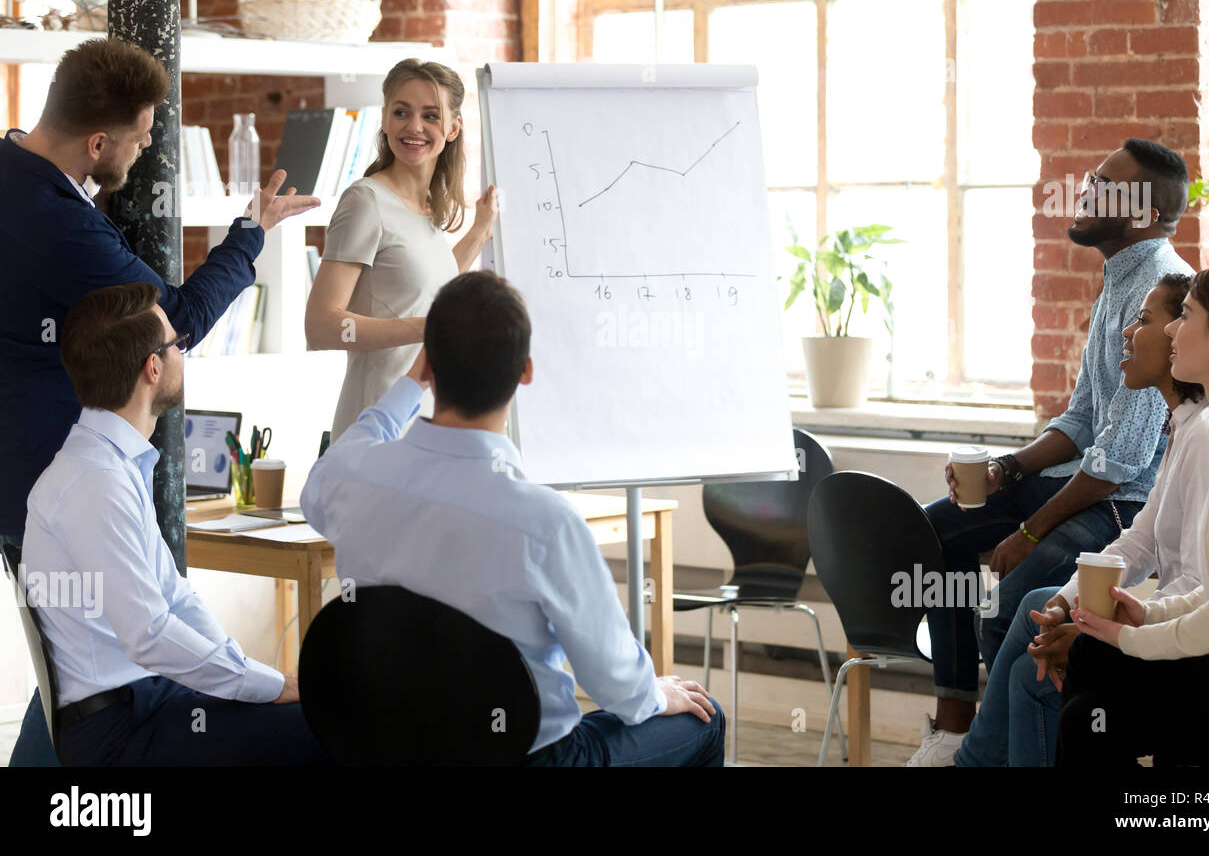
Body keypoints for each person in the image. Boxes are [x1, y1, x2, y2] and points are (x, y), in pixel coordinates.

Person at [0, 37, 315, 766]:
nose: (146, 150)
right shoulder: (62, 227)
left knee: (72, 665)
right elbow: (176, 318)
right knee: (97, 661)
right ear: (99, 140)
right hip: (62, 470)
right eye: (142, 138)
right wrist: (251, 234)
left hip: (27, 474)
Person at [301, 271, 725, 766]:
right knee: (704, 717)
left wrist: (408, 387)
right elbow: (620, 690)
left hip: (383, 749)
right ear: (525, 371)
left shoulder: (354, 478)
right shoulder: (545, 524)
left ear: (430, 364)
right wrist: (656, 692)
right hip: (518, 757)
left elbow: (337, 462)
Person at [909, 138, 1194, 766]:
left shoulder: (1160, 290)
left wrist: (1030, 534)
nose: (1085, 189)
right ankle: (955, 720)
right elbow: (1082, 419)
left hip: (1117, 503)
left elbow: (1119, 459)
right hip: (1084, 479)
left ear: (1142, 212)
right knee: (934, 531)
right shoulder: (1119, 277)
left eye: (1103, 183)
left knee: (1009, 610)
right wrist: (1006, 469)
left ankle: (1005, 750)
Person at [18, 284, 328, 766]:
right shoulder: (94, 482)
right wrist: (267, 684)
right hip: (123, 730)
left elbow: (174, 596)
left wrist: (253, 678)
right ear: (153, 368)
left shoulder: (109, 465)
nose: (185, 352)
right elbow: (150, 634)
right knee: (323, 729)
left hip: (151, 702)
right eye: (177, 344)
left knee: (319, 716)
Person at [954, 273, 1209, 766]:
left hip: (1198, 651)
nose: (1127, 333)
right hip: (1170, 626)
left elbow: (1208, 588)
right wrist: (1063, 602)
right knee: (1035, 605)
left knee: (1038, 674)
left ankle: (973, 762)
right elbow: (1140, 543)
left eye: (1144, 320)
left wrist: (1107, 630)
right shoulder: (1184, 427)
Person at [1059, 264, 1209, 767]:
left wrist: (1135, 638)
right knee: (1090, 706)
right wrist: (1149, 613)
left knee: (1091, 688)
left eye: (1185, 315)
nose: (1170, 327)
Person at [305, 58, 497, 444]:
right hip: (375, 428)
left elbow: (427, 292)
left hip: (427, 425)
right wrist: (427, 327)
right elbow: (321, 326)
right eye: (402, 112)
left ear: (453, 128)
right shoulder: (367, 201)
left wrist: (480, 231)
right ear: (385, 119)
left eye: (430, 115)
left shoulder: (428, 208)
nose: (414, 127)